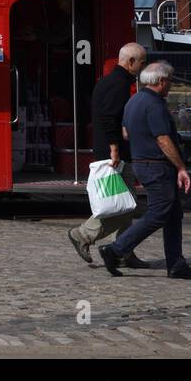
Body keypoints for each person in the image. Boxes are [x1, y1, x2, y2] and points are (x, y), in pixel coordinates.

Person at [99, 61, 191, 280]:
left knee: (173, 214)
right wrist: (181, 167)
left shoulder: (134, 101)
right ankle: (116, 249)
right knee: (159, 213)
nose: (171, 85)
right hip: (157, 166)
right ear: (161, 81)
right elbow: (163, 139)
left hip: (143, 163)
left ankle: (176, 264)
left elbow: (126, 133)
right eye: (170, 80)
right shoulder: (155, 104)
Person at [68, 43, 149, 268]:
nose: (143, 67)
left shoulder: (107, 81)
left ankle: (123, 251)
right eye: (141, 62)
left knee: (123, 203)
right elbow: (109, 118)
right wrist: (114, 147)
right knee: (125, 204)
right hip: (114, 153)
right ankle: (82, 235)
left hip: (109, 149)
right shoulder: (120, 85)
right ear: (131, 62)